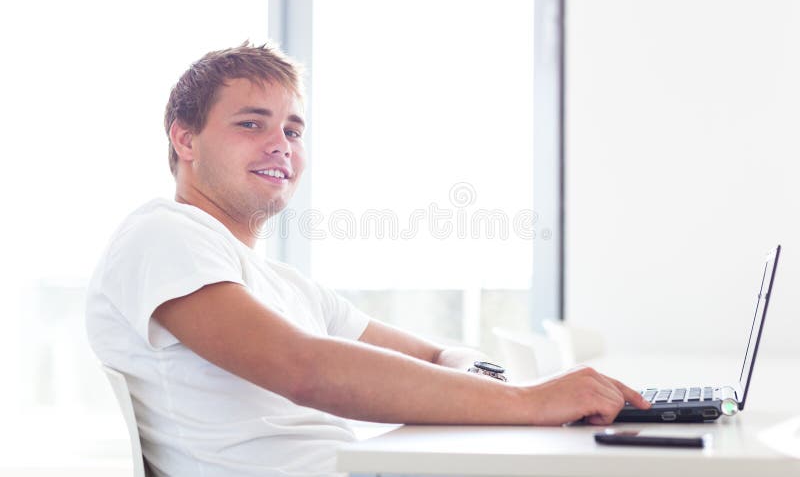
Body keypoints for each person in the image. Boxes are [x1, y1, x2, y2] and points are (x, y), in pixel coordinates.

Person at [86, 42, 650, 477]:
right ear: (184, 139)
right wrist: (527, 403)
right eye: (251, 123)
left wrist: (504, 384)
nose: (281, 143)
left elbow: (433, 353)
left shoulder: (283, 284)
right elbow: (304, 370)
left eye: (292, 129)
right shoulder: (161, 234)